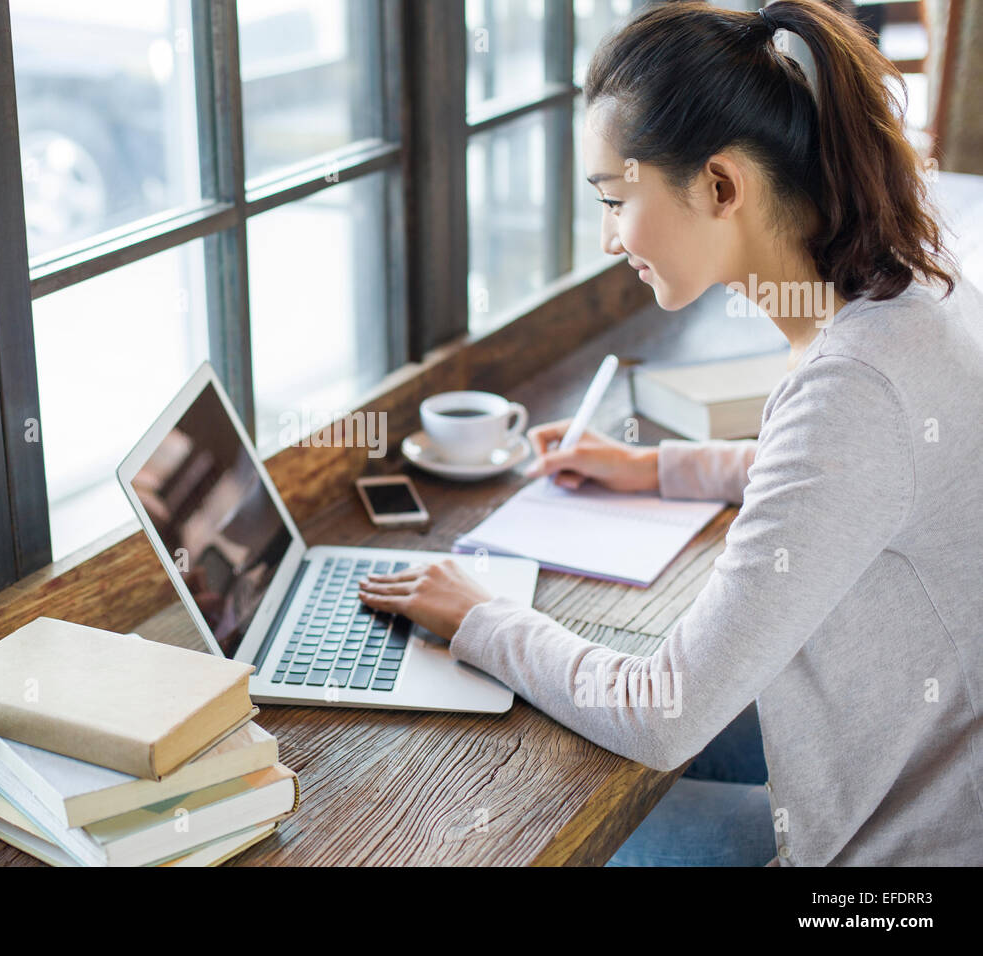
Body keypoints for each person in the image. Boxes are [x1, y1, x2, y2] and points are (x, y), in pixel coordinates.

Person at [358, 0, 983, 866]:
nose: (611, 237)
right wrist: (655, 467)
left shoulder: (852, 389)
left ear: (721, 186)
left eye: (616, 199)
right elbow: (851, 480)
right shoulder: (911, 297)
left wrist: (485, 617)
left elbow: (665, 711)